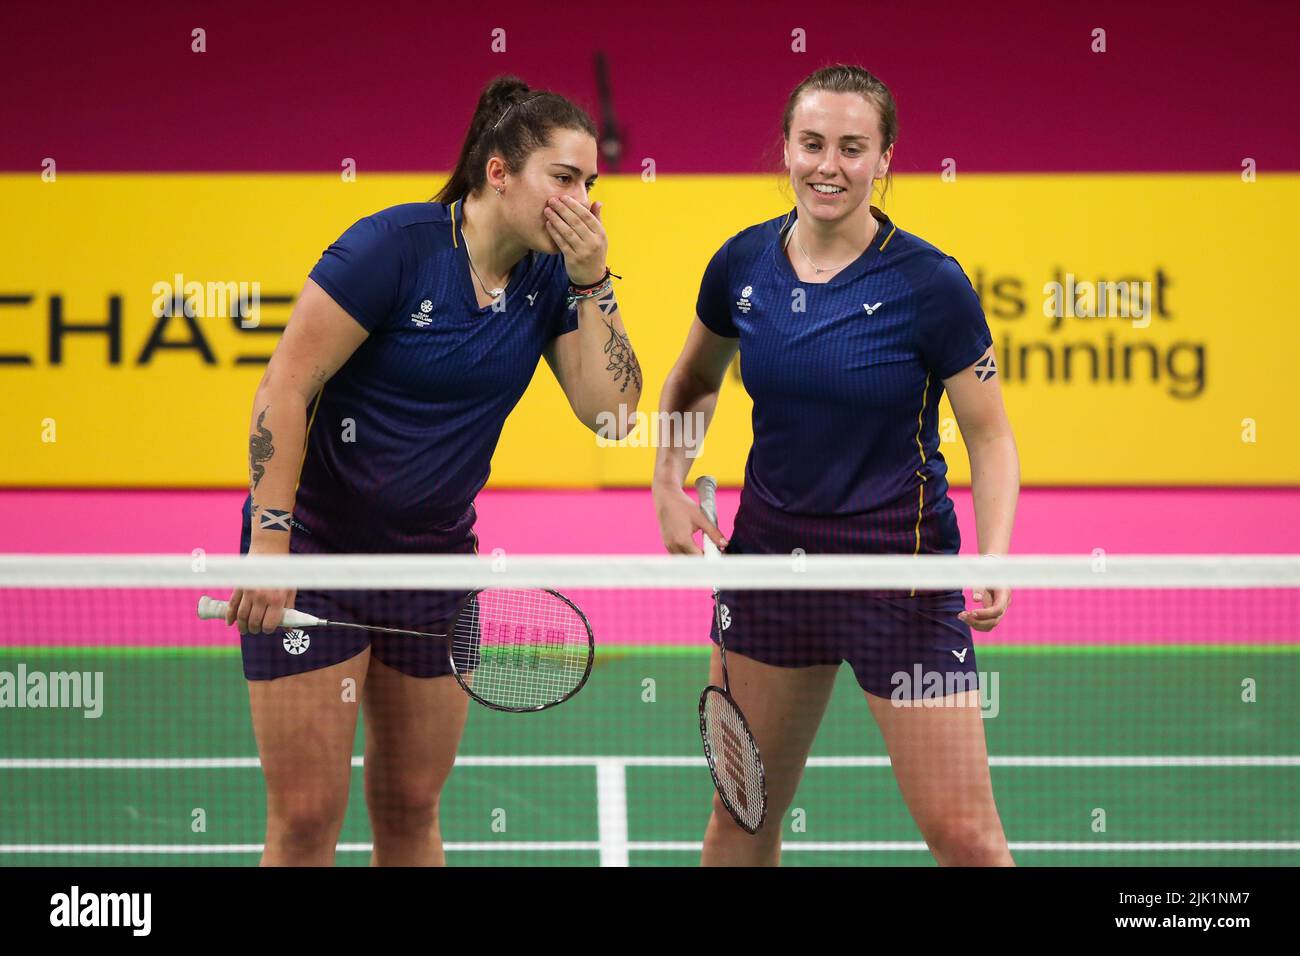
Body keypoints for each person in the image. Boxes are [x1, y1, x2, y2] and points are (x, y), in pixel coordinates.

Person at [226, 75, 641, 866]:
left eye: (591, 184)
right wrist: (270, 544)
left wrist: (594, 280)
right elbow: (285, 386)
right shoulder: (392, 249)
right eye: (564, 178)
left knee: (411, 807)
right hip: (316, 555)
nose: (583, 200)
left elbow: (612, 413)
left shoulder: (552, 279)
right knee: (309, 818)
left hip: (436, 564)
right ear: (498, 172)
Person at [653, 64, 1019, 866]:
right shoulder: (741, 264)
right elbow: (692, 377)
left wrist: (994, 554)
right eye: (812, 143)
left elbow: (988, 435)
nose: (829, 165)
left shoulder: (931, 284)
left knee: (966, 838)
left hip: (904, 581)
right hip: (771, 576)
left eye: (853, 148)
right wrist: (668, 481)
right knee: (742, 820)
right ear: (783, 148)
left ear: (884, 160)